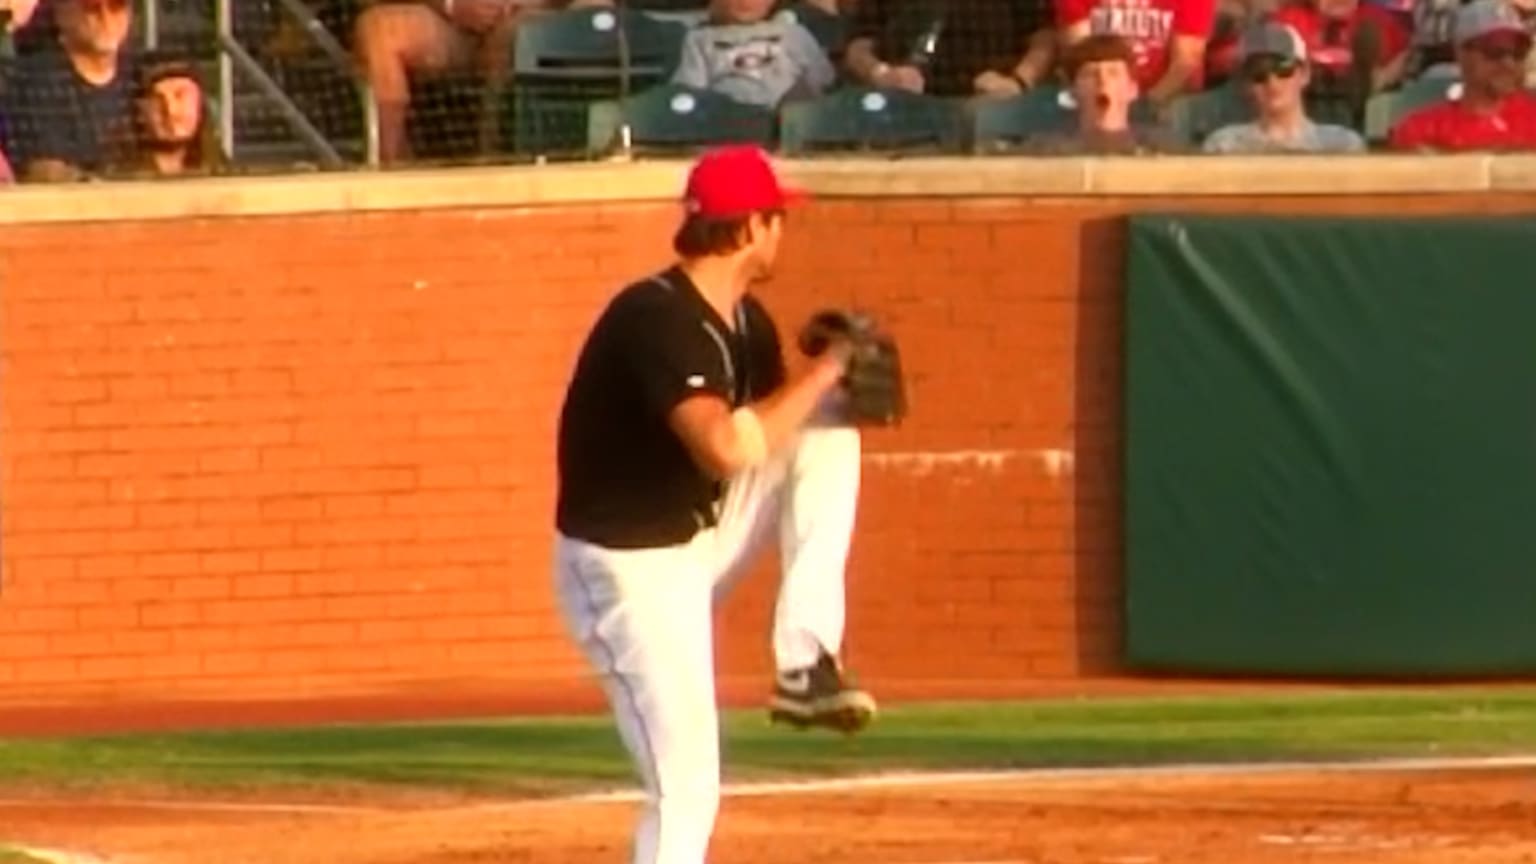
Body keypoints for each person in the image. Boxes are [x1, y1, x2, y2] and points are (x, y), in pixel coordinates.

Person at [552, 144, 877, 864]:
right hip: (625, 574)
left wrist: (836, 392)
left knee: (826, 434)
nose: (783, 230)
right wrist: (828, 370)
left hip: (696, 539)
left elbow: (773, 432)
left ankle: (805, 664)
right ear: (750, 226)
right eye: (777, 217)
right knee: (687, 784)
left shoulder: (746, 322)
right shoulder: (654, 318)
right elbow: (725, 449)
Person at [4, 0, 134, 182]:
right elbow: (41, 169)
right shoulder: (35, 82)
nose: (106, 19)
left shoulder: (139, 77)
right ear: (62, 14)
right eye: (92, 9)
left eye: (116, 6)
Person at [1388, 0, 1536, 150]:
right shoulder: (1422, 130)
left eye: (1518, 53)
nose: (1508, 64)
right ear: (1461, 54)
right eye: (1494, 51)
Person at [1203, 20, 1368, 152]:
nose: (1272, 82)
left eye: (1283, 69)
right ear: (1246, 84)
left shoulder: (1341, 145)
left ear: (1305, 74)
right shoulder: (1224, 146)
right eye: (1258, 73)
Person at [841, 0, 1057, 97]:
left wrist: (1017, 82)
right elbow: (858, 44)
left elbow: (1044, 37)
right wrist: (880, 73)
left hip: (990, 108)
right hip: (905, 109)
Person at [1023, 33, 1186, 153]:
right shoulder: (1047, 150)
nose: (1102, 81)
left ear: (1132, 89)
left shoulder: (1160, 149)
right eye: (1090, 74)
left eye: (1113, 73)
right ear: (1073, 91)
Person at [670, 0, 837, 108]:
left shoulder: (794, 34)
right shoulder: (700, 39)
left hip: (790, 120)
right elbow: (691, 91)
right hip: (728, 120)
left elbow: (823, 82)